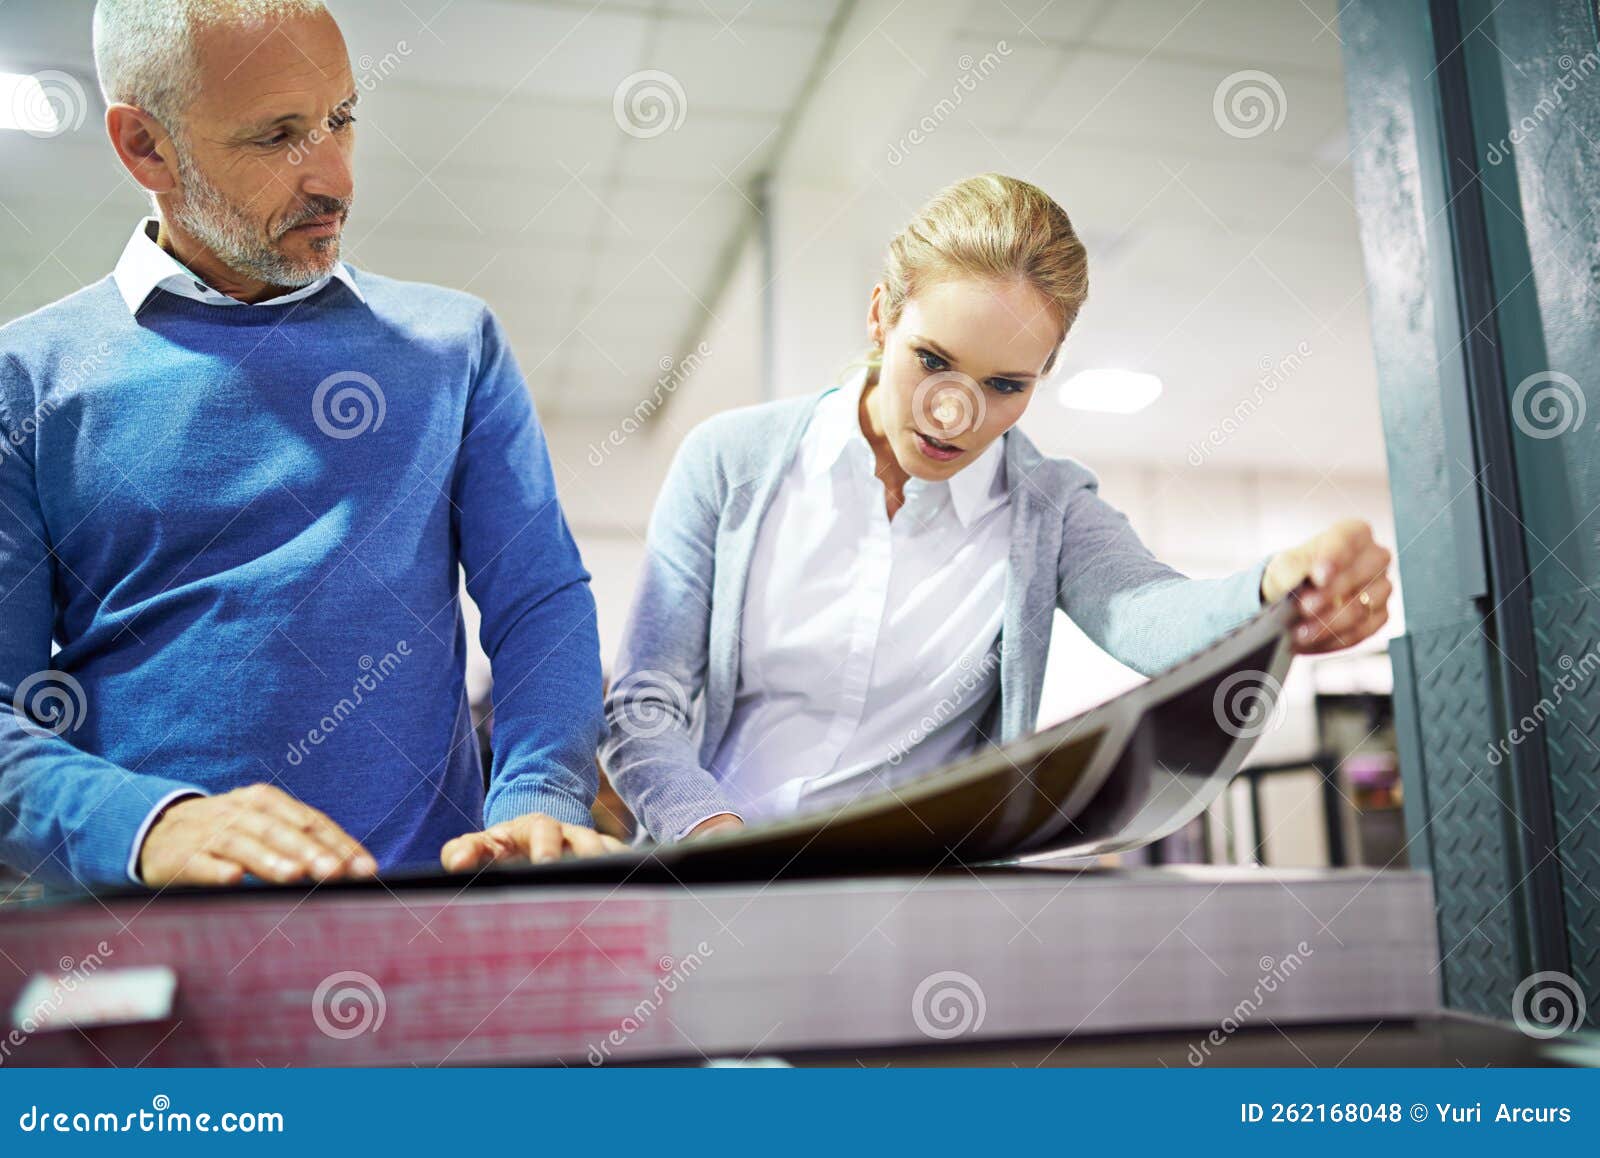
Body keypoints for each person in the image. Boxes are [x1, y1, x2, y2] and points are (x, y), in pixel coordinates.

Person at [0, 0, 622, 890]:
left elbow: (541, 600)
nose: (336, 178)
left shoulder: (453, 346)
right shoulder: (25, 379)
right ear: (146, 148)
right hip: (137, 956)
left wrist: (538, 793)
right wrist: (147, 827)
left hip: (418, 928)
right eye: (277, 136)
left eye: (341, 119)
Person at [602, 173, 1393, 842]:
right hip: (721, 875)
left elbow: (1151, 613)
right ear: (882, 316)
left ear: (1042, 374)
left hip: (917, 898)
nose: (956, 415)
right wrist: (712, 838)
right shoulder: (732, 461)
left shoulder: (1045, 507)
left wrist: (1275, 590)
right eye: (933, 361)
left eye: (1005, 385)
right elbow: (644, 704)